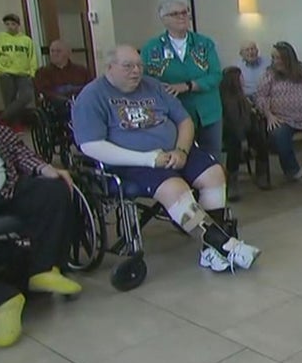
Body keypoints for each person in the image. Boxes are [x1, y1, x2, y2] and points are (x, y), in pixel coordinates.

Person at [73, 45, 259, 272]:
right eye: (128, 66)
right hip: (132, 162)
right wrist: (148, 159)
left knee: (214, 174)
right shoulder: (92, 96)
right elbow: (90, 145)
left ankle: (210, 250)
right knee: (175, 188)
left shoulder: (153, 86)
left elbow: (184, 121)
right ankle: (224, 245)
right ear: (109, 67)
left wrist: (181, 151)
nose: (136, 72)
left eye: (139, 66)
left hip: (174, 151)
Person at [0, 97, 82, 348]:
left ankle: (43, 269)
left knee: (54, 189)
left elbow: (10, 142)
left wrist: (41, 167)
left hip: (7, 187)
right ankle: (1, 301)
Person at [141, 0, 224, 159]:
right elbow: (145, 80)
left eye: (185, 12)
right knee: (183, 156)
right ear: (163, 19)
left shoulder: (204, 43)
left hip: (208, 111)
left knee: (212, 157)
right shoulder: (151, 48)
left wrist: (188, 85)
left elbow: (216, 75)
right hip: (174, 113)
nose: (182, 17)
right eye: (175, 14)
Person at [255, 41, 302, 183]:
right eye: (273, 58)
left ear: (288, 57)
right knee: (279, 135)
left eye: (278, 58)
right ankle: (293, 171)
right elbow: (261, 96)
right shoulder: (269, 74)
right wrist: (269, 115)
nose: (275, 61)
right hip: (283, 118)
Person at [219, 66, 270, 197]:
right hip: (231, 133)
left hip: (245, 130)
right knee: (234, 145)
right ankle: (232, 182)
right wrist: (243, 140)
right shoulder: (228, 100)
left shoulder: (242, 96)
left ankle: (261, 174)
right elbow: (235, 124)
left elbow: (247, 119)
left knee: (261, 140)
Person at [0, 13, 38, 130]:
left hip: (23, 74)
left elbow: (32, 57)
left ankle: (0, 119)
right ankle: (14, 126)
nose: (10, 26)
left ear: (18, 25)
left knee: (26, 97)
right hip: (6, 74)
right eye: (8, 24)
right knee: (9, 100)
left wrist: (32, 72)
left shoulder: (26, 40)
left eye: (13, 24)